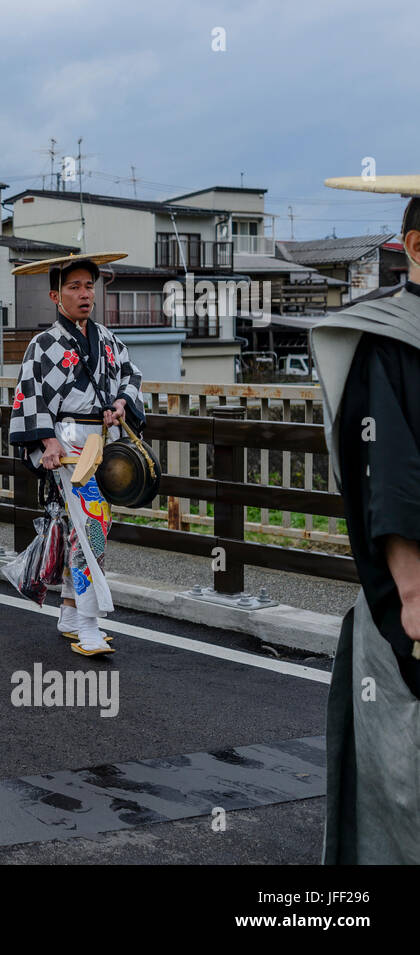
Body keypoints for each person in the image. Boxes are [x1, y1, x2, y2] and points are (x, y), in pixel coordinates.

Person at [311, 174, 420, 864]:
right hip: (411, 586)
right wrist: (412, 594)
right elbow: (393, 472)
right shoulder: (391, 338)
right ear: (416, 245)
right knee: (402, 774)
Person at [8, 253, 143, 657]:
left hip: (102, 440)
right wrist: (46, 441)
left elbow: (131, 376)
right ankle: (87, 624)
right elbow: (28, 396)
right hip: (66, 443)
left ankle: (69, 611)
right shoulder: (43, 344)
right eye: (74, 287)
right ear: (55, 295)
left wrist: (121, 403)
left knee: (81, 529)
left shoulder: (107, 338)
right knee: (90, 529)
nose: (85, 294)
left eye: (89, 286)